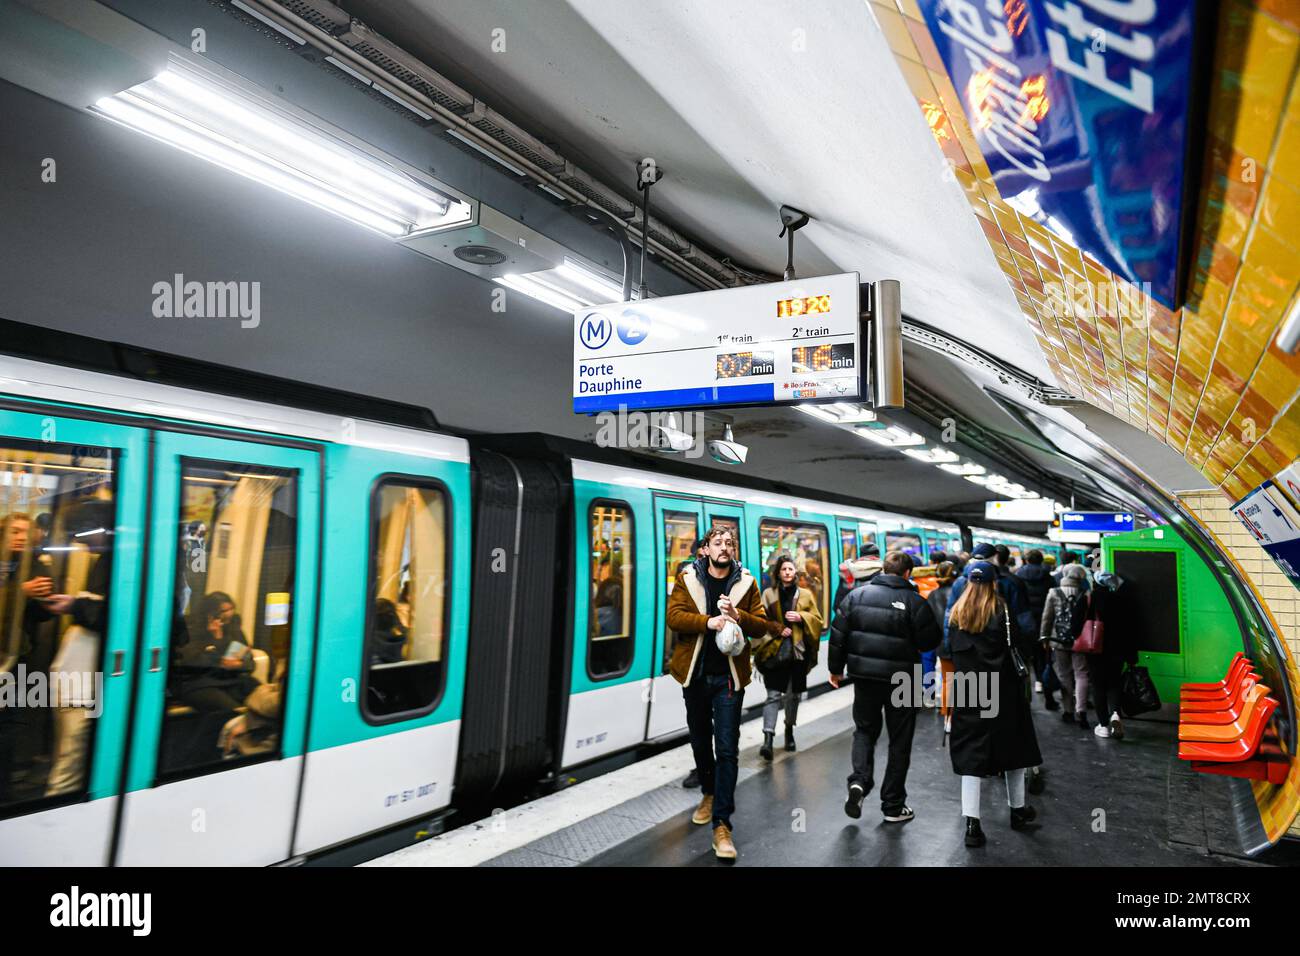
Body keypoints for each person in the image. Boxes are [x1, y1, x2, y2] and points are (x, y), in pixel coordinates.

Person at [666, 525, 768, 861]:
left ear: (733, 550)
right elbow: (674, 617)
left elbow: (762, 626)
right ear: (706, 549)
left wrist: (739, 616)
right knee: (699, 741)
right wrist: (708, 622)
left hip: (728, 679)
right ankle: (708, 793)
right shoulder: (688, 579)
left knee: (727, 749)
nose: (723, 548)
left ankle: (722, 824)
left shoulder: (747, 583)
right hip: (694, 676)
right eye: (717, 543)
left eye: (728, 543)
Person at [829, 550, 940, 824]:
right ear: (907, 574)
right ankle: (892, 805)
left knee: (865, 731)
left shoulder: (856, 596)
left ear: (883, 570)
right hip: (904, 680)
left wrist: (835, 669)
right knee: (899, 741)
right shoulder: (915, 601)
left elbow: (838, 635)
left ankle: (859, 782)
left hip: (865, 678)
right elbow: (929, 641)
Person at [947, 561, 1042, 847]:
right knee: (1014, 751)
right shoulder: (1002, 610)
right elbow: (1019, 645)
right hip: (1003, 690)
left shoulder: (957, 613)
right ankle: (1018, 811)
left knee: (971, 759)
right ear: (993, 583)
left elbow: (950, 650)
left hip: (968, 691)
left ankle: (972, 825)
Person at [44, 498, 115, 797]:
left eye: (84, 537)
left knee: (70, 764)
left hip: (85, 684)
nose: (83, 546)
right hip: (76, 681)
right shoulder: (104, 561)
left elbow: (113, 616)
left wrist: (75, 605)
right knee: (68, 756)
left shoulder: (120, 562)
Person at [756, 554, 824, 759]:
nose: (787, 572)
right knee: (773, 696)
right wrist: (777, 628)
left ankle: (789, 731)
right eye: (783, 569)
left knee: (793, 696)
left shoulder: (805, 595)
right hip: (774, 652)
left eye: (790, 569)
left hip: (797, 654)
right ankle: (767, 739)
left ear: (795, 572)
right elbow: (760, 620)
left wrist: (801, 617)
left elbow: (818, 620)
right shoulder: (768, 594)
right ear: (778, 572)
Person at [1040, 564, 1092, 727]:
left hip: (1059, 641)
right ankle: (1081, 711)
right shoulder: (1086, 594)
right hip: (1080, 641)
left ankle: (1067, 710)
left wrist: (1044, 637)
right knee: (1082, 674)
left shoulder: (1053, 593)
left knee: (1064, 675)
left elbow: (1047, 618)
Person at [1087, 571, 1134, 738]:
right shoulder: (1121, 601)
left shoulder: (1088, 600)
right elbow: (1130, 628)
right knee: (1114, 683)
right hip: (1117, 650)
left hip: (1094, 650)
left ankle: (1103, 725)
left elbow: (1075, 625)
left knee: (1098, 687)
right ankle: (1115, 713)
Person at [677, 538, 706, 790]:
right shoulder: (685, 580)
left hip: (720, 665)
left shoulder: (734, 581)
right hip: (694, 665)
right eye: (699, 554)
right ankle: (703, 767)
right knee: (697, 721)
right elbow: (675, 617)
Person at [1015, 549, 1058, 711]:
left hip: (1024, 625)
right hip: (1043, 625)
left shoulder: (1018, 577)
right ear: (1041, 561)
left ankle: (1026, 700)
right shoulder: (1048, 578)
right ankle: (1048, 696)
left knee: (1024, 662)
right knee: (1044, 660)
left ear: (1026, 560)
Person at [927, 561, 957, 724]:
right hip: (962, 644)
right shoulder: (961, 593)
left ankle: (948, 717)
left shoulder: (932, 595)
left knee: (947, 680)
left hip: (942, 644)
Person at [833, 542, 881, 616]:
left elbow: (837, 606)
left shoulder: (849, 574)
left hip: (854, 624)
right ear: (878, 557)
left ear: (861, 556)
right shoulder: (884, 573)